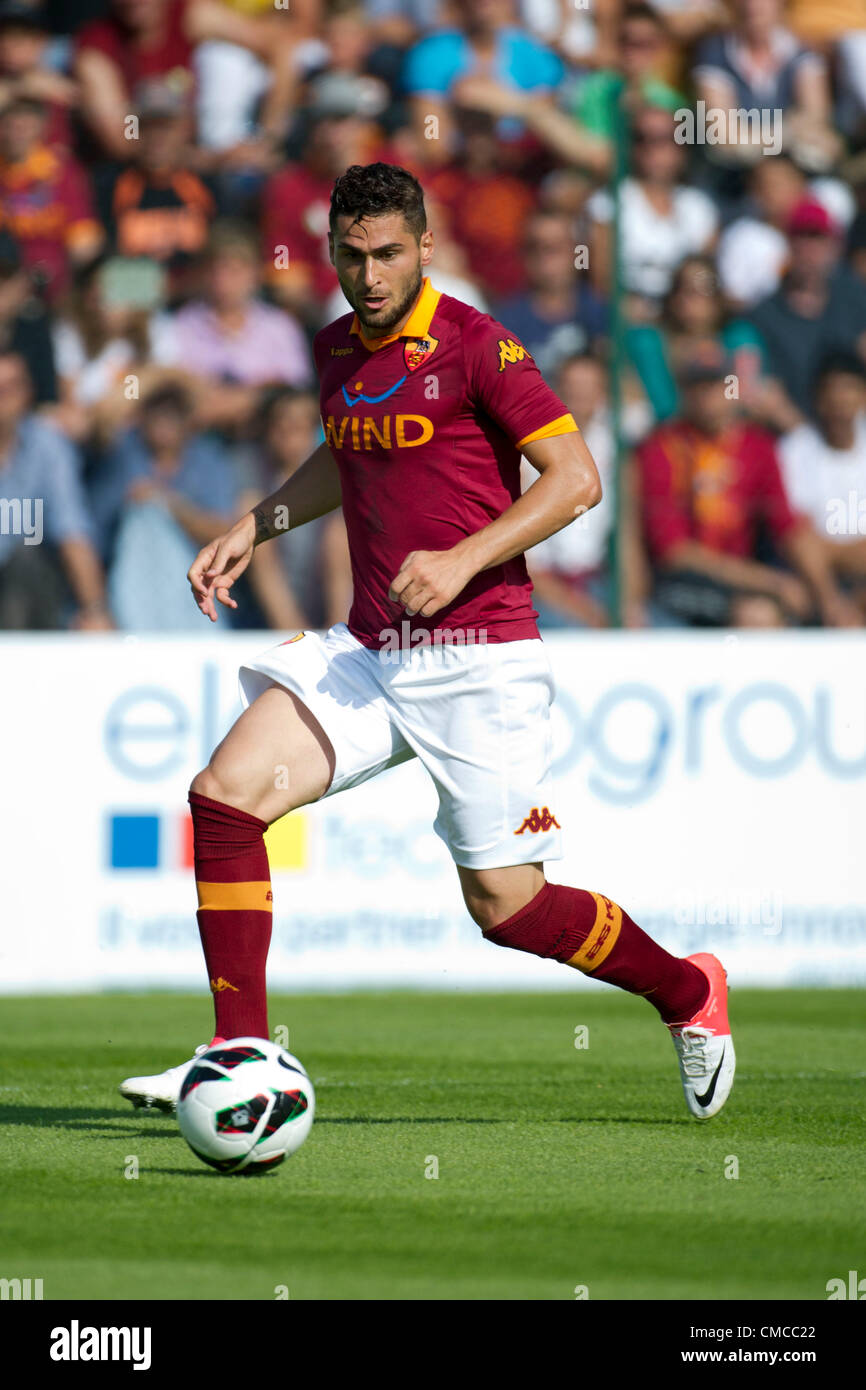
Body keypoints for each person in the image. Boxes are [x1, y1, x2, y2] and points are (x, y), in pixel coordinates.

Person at [119, 162, 737, 1123]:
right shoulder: (334, 352)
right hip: (371, 649)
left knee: (508, 907)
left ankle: (689, 992)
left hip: (479, 653)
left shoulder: (479, 345)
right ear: (329, 250)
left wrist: (461, 558)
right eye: (353, 255)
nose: (370, 275)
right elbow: (346, 450)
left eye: (389, 254)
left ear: (425, 248)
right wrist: (258, 522)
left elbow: (575, 479)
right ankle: (237, 1053)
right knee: (224, 801)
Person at [637, 341, 859, 628]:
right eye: (697, 385)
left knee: (820, 606)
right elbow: (675, 553)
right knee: (758, 615)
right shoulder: (662, 448)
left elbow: (788, 527)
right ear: (684, 391)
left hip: (742, 578)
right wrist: (772, 583)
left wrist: (827, 598)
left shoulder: (758, 446)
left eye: (716, 384)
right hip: (682, 584)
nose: (707, 395)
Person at [0, 348, 110, 629]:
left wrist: (95, 611)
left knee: (27, 558)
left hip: (26, 591)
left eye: (10, 387)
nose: (2, 397)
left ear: (28, 393)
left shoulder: (46, 444)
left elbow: (71, 532)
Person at [778, 352, 866, 615]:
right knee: (803, 544)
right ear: (817, 398)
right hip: (815, 574)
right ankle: (835, 610)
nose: (840, 399)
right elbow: (797, 532)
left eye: (848, 388)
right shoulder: (795, 448)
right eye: (832, 389)